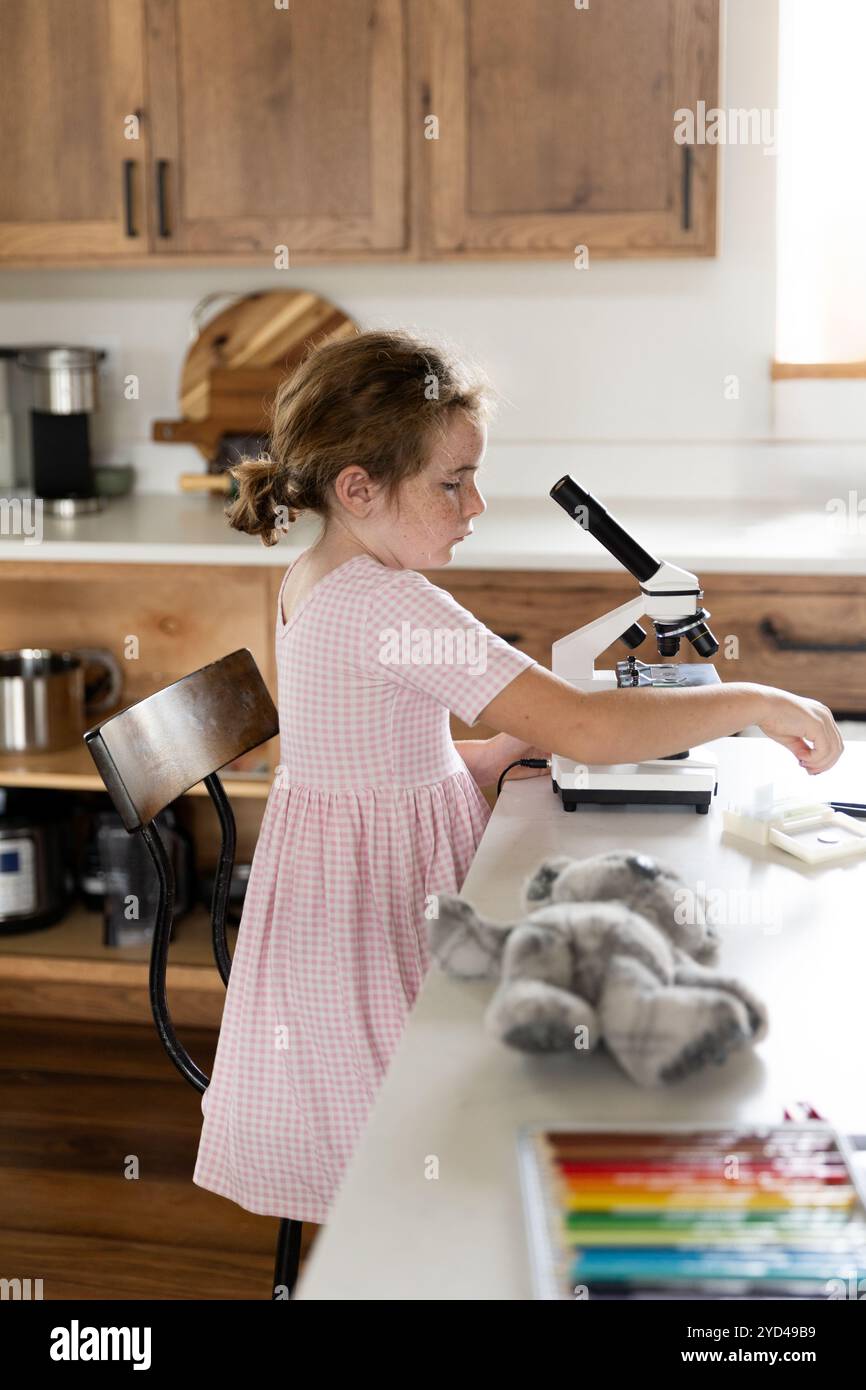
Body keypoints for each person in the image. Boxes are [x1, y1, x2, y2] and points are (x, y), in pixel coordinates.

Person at [192, 329, 843, 1229]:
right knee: (465, 1129)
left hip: (329, 907)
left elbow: (355, 763)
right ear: (358, 488)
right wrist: (755, 700)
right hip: (370, 936)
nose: (477, 504)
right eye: (451, 483)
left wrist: (480, 756)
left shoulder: (319, 576)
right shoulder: (392, 602)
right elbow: (584, 725)